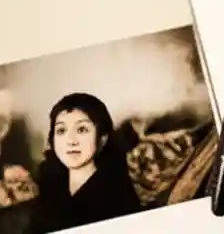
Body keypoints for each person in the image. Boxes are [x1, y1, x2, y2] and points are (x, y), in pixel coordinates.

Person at [24, 93, 143, 233]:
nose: (71, 141)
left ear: (102, 139)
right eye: (61, 130)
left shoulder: (117, 194)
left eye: (82, 129)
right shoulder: (50, 186)